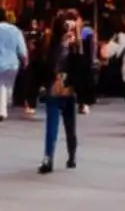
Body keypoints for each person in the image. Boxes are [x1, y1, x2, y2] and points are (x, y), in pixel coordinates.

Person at [38, 14, 87, 174]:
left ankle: (66, 155)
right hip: (59, 88)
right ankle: (51, 157)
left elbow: (80, 59)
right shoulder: (58, 45)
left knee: (67, 126)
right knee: (57, 125)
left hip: (63, 88)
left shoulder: (65, 45)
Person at [0, 8, 27, 122]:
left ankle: (0, 111)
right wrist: (24, 58)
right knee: (8, 85)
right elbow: (21, 47)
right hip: (12, 62)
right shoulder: (15, 30)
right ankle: (6, 103)